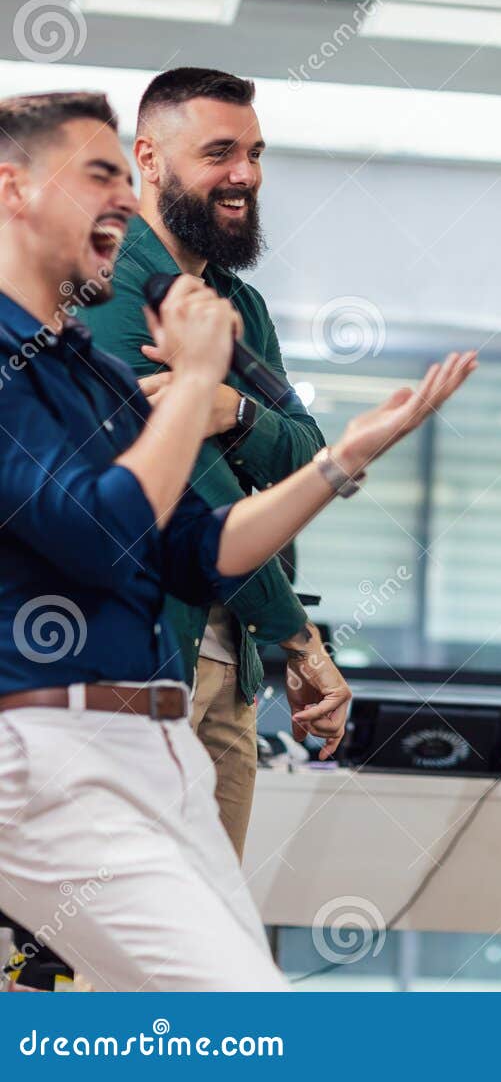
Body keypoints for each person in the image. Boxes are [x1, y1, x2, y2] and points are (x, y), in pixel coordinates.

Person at [0, 91, 476, 990]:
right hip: (48, 751)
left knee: (195, 1019)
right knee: (237, 1011)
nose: (122, 205)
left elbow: (194, 545)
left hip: (155, 739)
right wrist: (195, 392)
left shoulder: (89, 367)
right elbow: (98, 533)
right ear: (14, 189)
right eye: (99, 176)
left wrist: (342, 459)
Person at [80, 67, 350, 861]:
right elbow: (195, 495)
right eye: (221, 152)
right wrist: (299, 638)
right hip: (136, 664)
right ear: (150, 159)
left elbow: (307, 457)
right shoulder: (105, 284)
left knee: (202, 955)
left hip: (229, 665)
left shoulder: (242, 308)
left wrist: (229, 409)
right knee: (123, 955)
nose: (246, 176)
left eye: (256, 153)